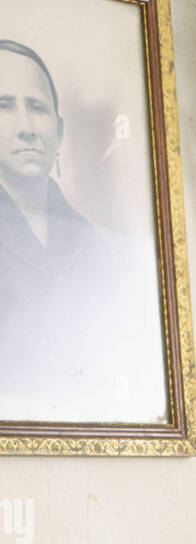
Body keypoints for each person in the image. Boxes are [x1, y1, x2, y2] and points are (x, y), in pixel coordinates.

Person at [0, 40, 115, 418]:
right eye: (4, 106)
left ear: (60, 131)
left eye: (37, 108)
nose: (27, 129)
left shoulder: (90, 244)